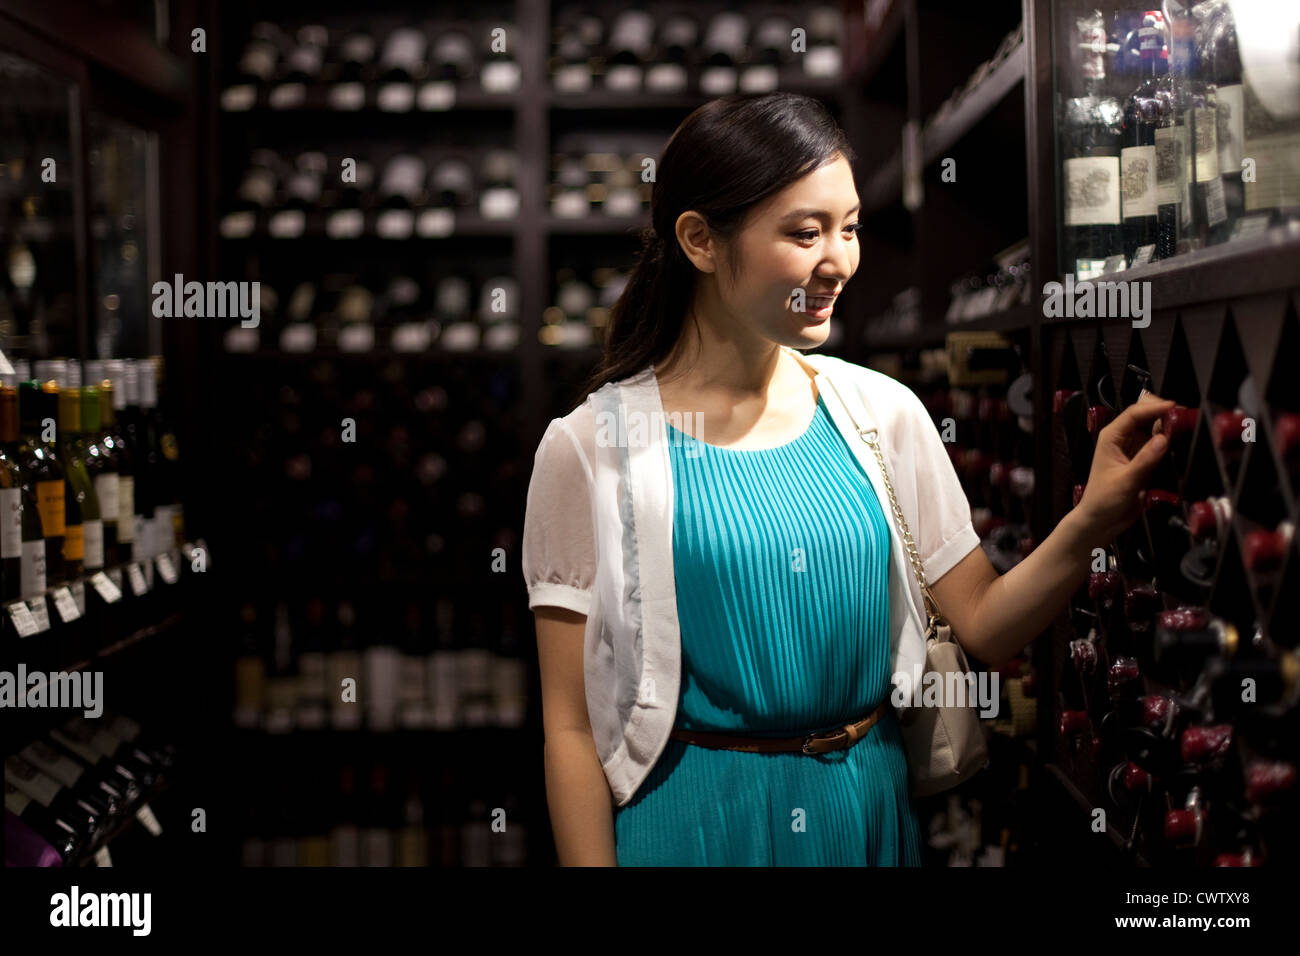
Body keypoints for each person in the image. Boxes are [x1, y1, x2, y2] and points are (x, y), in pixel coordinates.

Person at [522, 92, 1174, 866]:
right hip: (693, 825)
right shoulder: (590, 447)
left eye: (851, 227)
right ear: (699, 240)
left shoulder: (878, 411)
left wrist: (1090, 521)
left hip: (864, 810)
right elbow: (569, 727)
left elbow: (986, 625)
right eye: (805, 233)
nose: (840, 260)